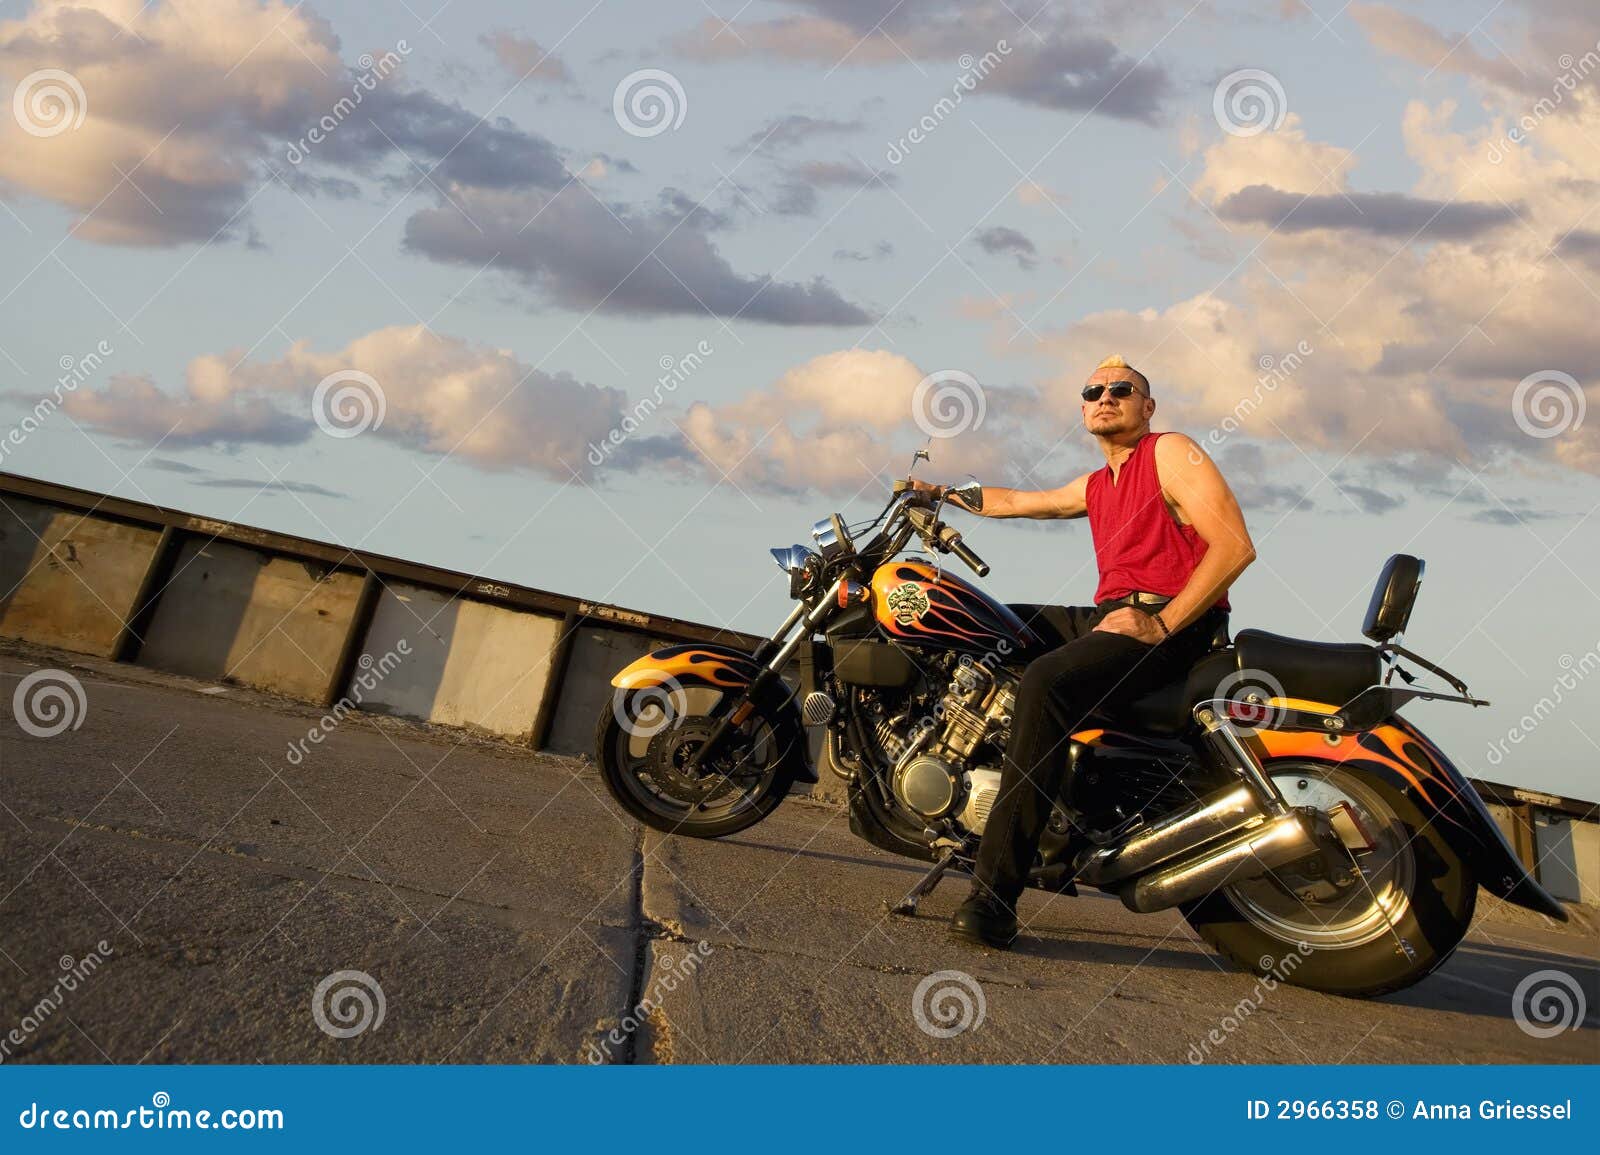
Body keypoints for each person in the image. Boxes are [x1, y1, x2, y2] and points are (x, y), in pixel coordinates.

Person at [914, 354, 1257, 949]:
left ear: (1147, 407)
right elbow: (1021, 502)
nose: (1106, 397)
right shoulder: (1099, 484)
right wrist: (937, 494)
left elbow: (1234, 545)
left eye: (1122, 389)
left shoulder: (1170, 452)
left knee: (1046, 680)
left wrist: (1164, 623)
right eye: (1093, 390)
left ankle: (995, 896)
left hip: (1174, 624)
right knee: (984, 625)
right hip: (1113, 615)